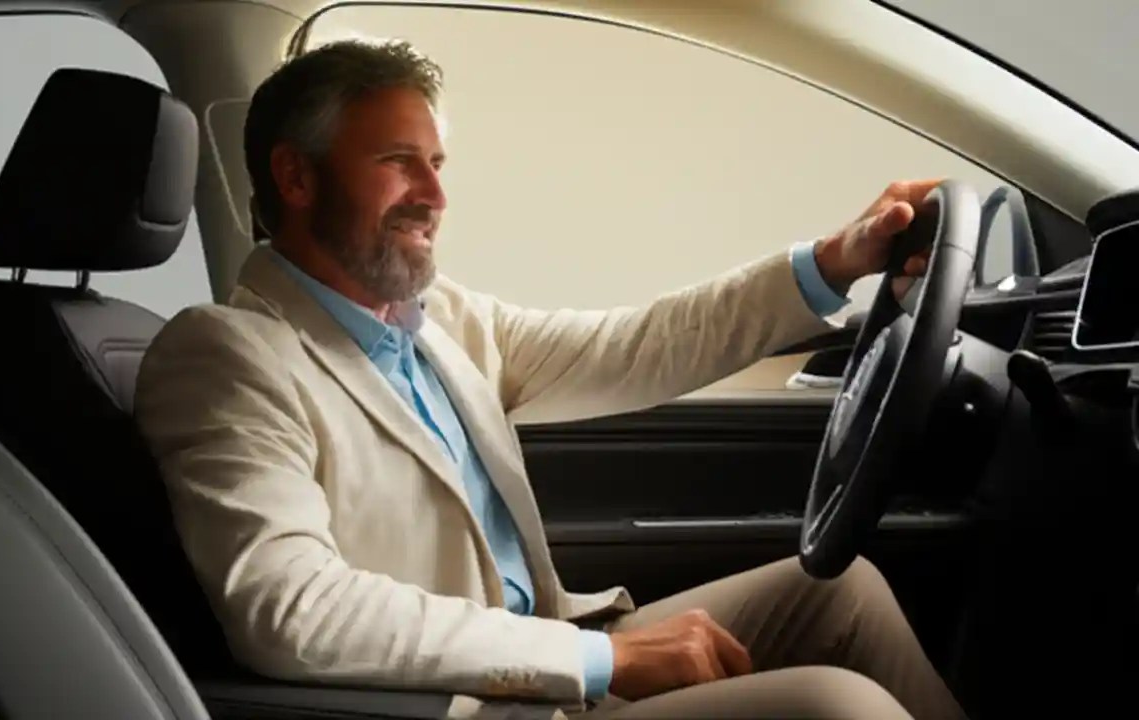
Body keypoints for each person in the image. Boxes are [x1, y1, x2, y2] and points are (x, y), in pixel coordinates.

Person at [133, 38, 963, 720]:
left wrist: (830, 263)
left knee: (835, 593)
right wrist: (598, 659)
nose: (434, 195)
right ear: (296, 176)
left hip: (545, 656)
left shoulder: (439, 320)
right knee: (833, 707)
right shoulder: (227, 356)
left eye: (436, 162)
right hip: (459, 707)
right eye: (398, 162)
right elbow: (292, 612)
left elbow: (635, 346)